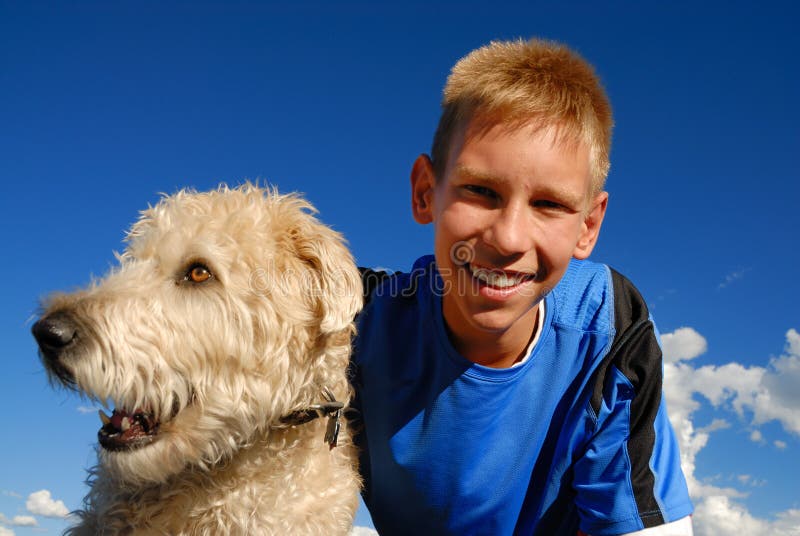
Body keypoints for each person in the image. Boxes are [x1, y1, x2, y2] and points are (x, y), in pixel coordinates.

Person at [350, 38, 694, 535]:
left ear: (588, 226)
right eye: (481, 191)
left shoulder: (608, 329)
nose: (509, 238)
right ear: (426, 191)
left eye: (550, 204)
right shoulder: (350, 316)